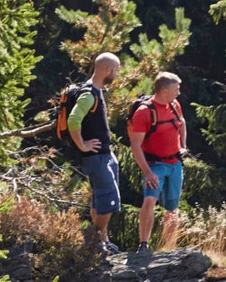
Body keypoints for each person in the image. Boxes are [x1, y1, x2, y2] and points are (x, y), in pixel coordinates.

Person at [66, 52, 122, 255]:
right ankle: (94, 241)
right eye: (116, 70)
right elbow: (73, 121)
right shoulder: (89, 94)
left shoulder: (96, 91)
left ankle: (102, 240)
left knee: (99, 200)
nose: (116, 74)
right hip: (95, 157)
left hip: (104, 155)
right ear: (108, 70)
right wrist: (82, 145)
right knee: (109, 199)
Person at [128, 71, 186, 254]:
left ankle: (170, 248)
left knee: (172, 208)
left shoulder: (175, 105)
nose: (179, 92)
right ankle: (143, 245)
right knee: (149, 200)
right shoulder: (144, 112)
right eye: (176, 89)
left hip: (175, 164)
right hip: (155, 165)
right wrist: (148, 172)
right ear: (164, 91)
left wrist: (183, 145)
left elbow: (182, 123)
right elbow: (135, 145)